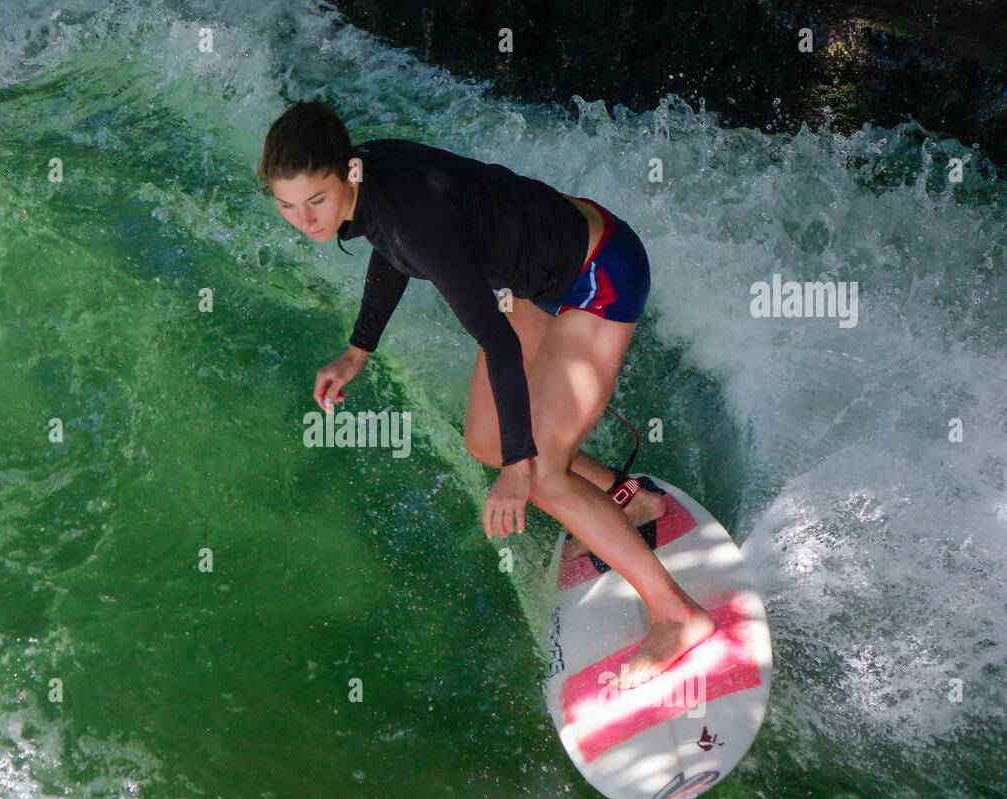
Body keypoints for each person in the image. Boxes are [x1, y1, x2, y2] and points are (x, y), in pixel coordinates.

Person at [257, 99, 714, 689]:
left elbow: (496, 340)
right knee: (487, 440)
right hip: (542, 269)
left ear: (346, 174)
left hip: (598, 274)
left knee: (540, 474)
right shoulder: (372, 182)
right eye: (287, 205)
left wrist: (521, 470)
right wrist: (357, 350)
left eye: (316, 201)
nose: (307, 220)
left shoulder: (408, 214)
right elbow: (391, 250)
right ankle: (632, 499)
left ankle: (677, 617)